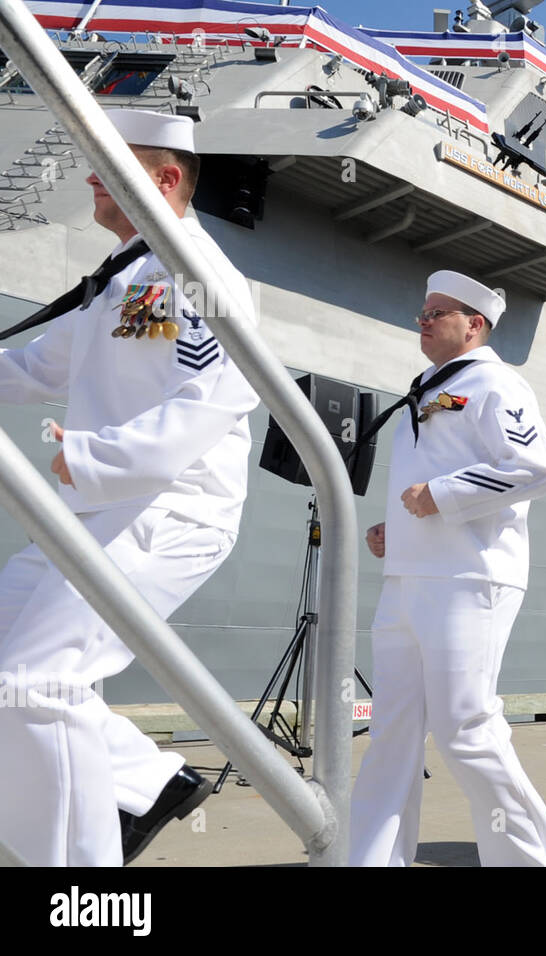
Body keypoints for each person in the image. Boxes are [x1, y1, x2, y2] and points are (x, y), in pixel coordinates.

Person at [0, 109, 258, 866]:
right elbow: (38, 369)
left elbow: (226, 386)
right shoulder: (126, 276)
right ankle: (147, 781)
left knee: (38, 684)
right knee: (12, 679)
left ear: (163, 179)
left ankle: (83, 882)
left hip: (165, 507)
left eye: (106, 165)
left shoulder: (199, 273)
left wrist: (103, 457)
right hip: (91, 514)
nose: (88, 177)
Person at [348, 270, 546, 867]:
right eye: (423, 309)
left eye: (438, 311)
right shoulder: (423, 387)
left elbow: (538, 468)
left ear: (474, 324)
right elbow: (428, 483)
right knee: (391, 733)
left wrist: (441, 495)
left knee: (466, 729)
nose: (424, 318)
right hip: (408, 581)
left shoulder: (496, 384)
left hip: (471, 578)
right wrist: (400, 526)